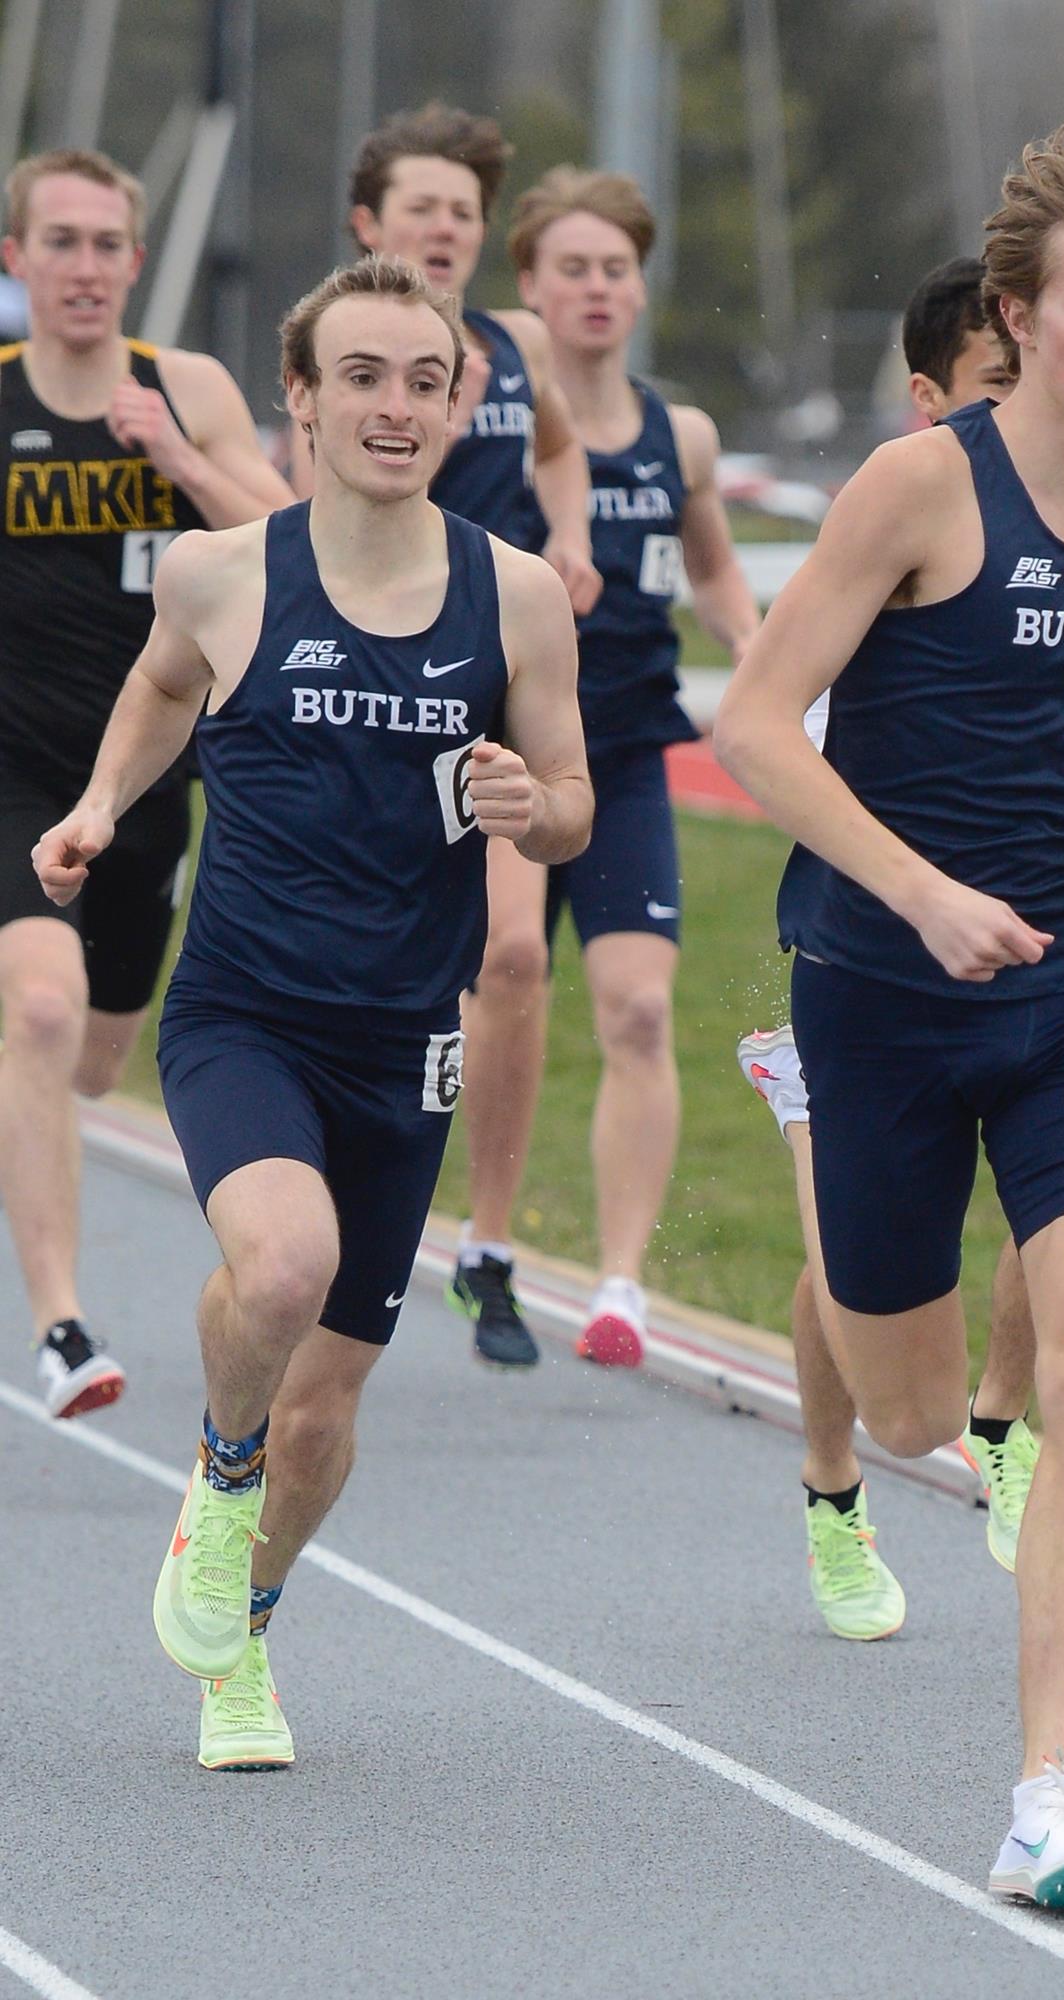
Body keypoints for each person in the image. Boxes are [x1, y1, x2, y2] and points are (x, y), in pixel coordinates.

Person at [716, 126, 1064, 1913]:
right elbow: (751, 727)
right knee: (903, 1418)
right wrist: (921, 893)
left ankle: (1050, 1792)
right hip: (881, 991)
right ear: (1022, 320)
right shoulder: (917, 490)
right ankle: (804, 1109)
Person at [35, 253, 590, 1771]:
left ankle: (243, 1642)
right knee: (282, 1273)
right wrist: (96, 807)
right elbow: (160, 687)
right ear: (303, 397)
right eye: (364, 377)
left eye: (426, 381)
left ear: (460, 403)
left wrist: (530, 805)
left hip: (404, 1037)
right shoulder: (228, 570)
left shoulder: (517, 595)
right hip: (244, 1014)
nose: (396, 407)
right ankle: (218, 1483)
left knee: (328, 1412)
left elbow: (577, 813)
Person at [735, 255, 1038, 1643]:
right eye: (993, 388)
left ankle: (1009, 1420)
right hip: (873, 950)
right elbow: (763, 720)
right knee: (855, 1279)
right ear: (928, 402)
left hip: (1040, 942)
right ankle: (834, 1486)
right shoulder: (896, 512)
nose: (1025, 416)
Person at [0, 147, 293, 1418]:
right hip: (10, 766)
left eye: (104, 243)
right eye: (56, 242)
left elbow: (292, 539)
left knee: (97, 1051)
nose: (82, 266)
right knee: (43, 1011)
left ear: (134, 257)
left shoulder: (185, 388)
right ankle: (62, 1322)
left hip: (145, 773)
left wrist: (174, 452)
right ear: (15, 259)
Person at [328, 102, 601, 1369]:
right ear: (370, 225)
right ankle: (314, 1172)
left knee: (511, 953)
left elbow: (562, 453)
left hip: (491, 686)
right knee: (369, 957)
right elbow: (294, 518)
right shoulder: (346, 363)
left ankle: (486, 1246)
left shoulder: (512, 345)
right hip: (360, 693)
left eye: (463, 210)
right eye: (420, 207)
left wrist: (573, 542)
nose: (445, 227)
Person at [505, 167, 757, 1367]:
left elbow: (708, 569)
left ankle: (618, 1284)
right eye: (573, 268)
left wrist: (757, 647)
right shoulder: (493, 422)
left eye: (616, 268)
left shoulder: (680, 434)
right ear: (529, 288)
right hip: (496, 759)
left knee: (641, 1010)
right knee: (485, 984)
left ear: (641, 288)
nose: (597, 289)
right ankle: (460, 1233)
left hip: (626, 756)